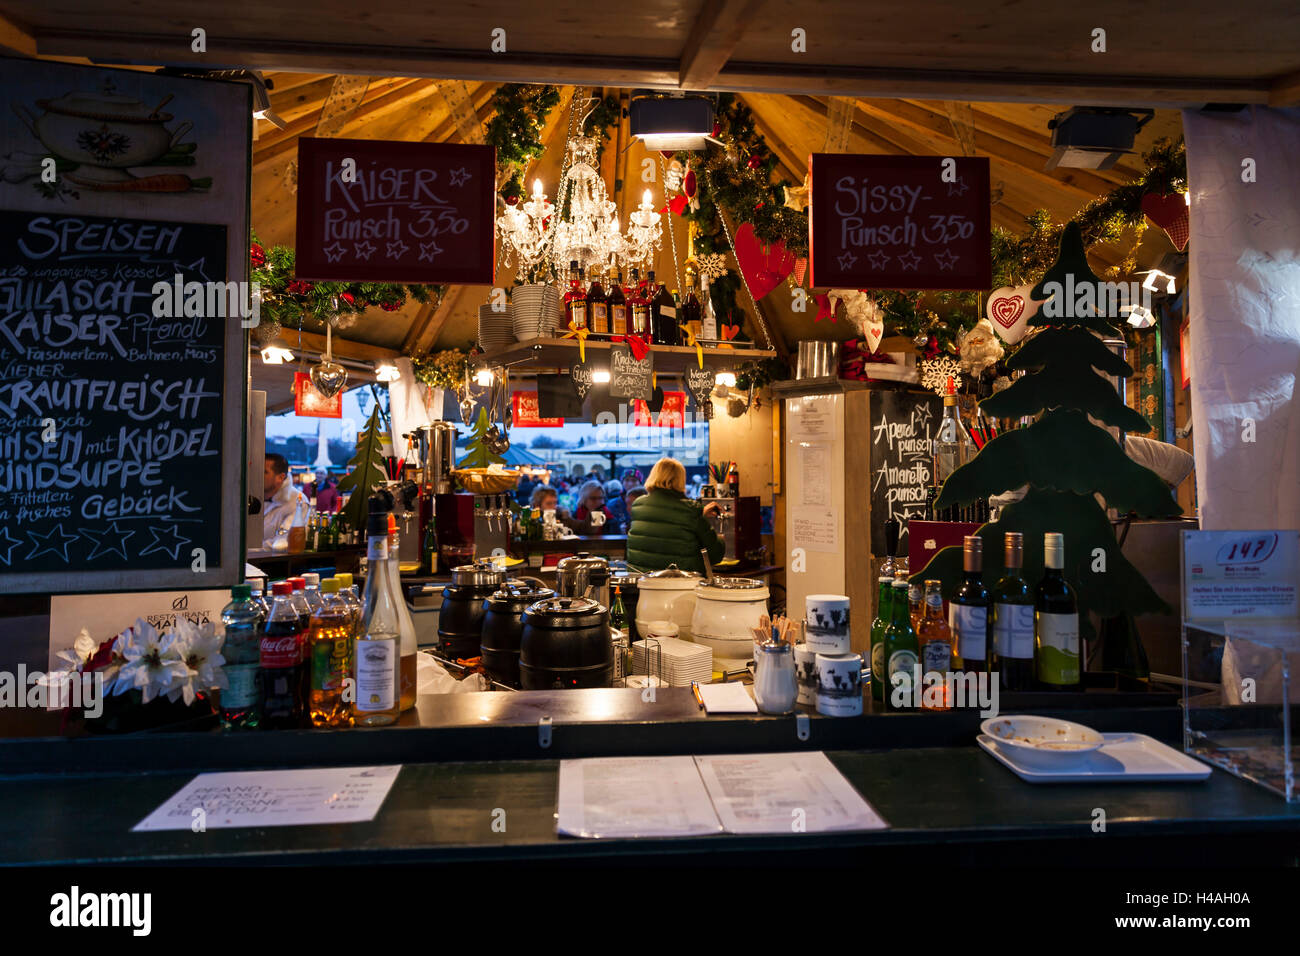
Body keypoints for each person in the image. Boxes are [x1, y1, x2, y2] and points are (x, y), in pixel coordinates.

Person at [626, 458, 724, 573]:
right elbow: (715, 555)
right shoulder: (690, 509)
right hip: (680, 584)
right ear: (680, 479)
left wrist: (699, 515)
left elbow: (663, 523)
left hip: (642, 583)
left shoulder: (638, 504)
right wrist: (720, 539)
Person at [262, 453, 308, 548]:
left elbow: (283, 542)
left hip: (272, 561)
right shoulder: (251, 496)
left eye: (264, 472)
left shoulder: (298, 502)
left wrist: (249, 549)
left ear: (280, 477)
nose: (257, 475)